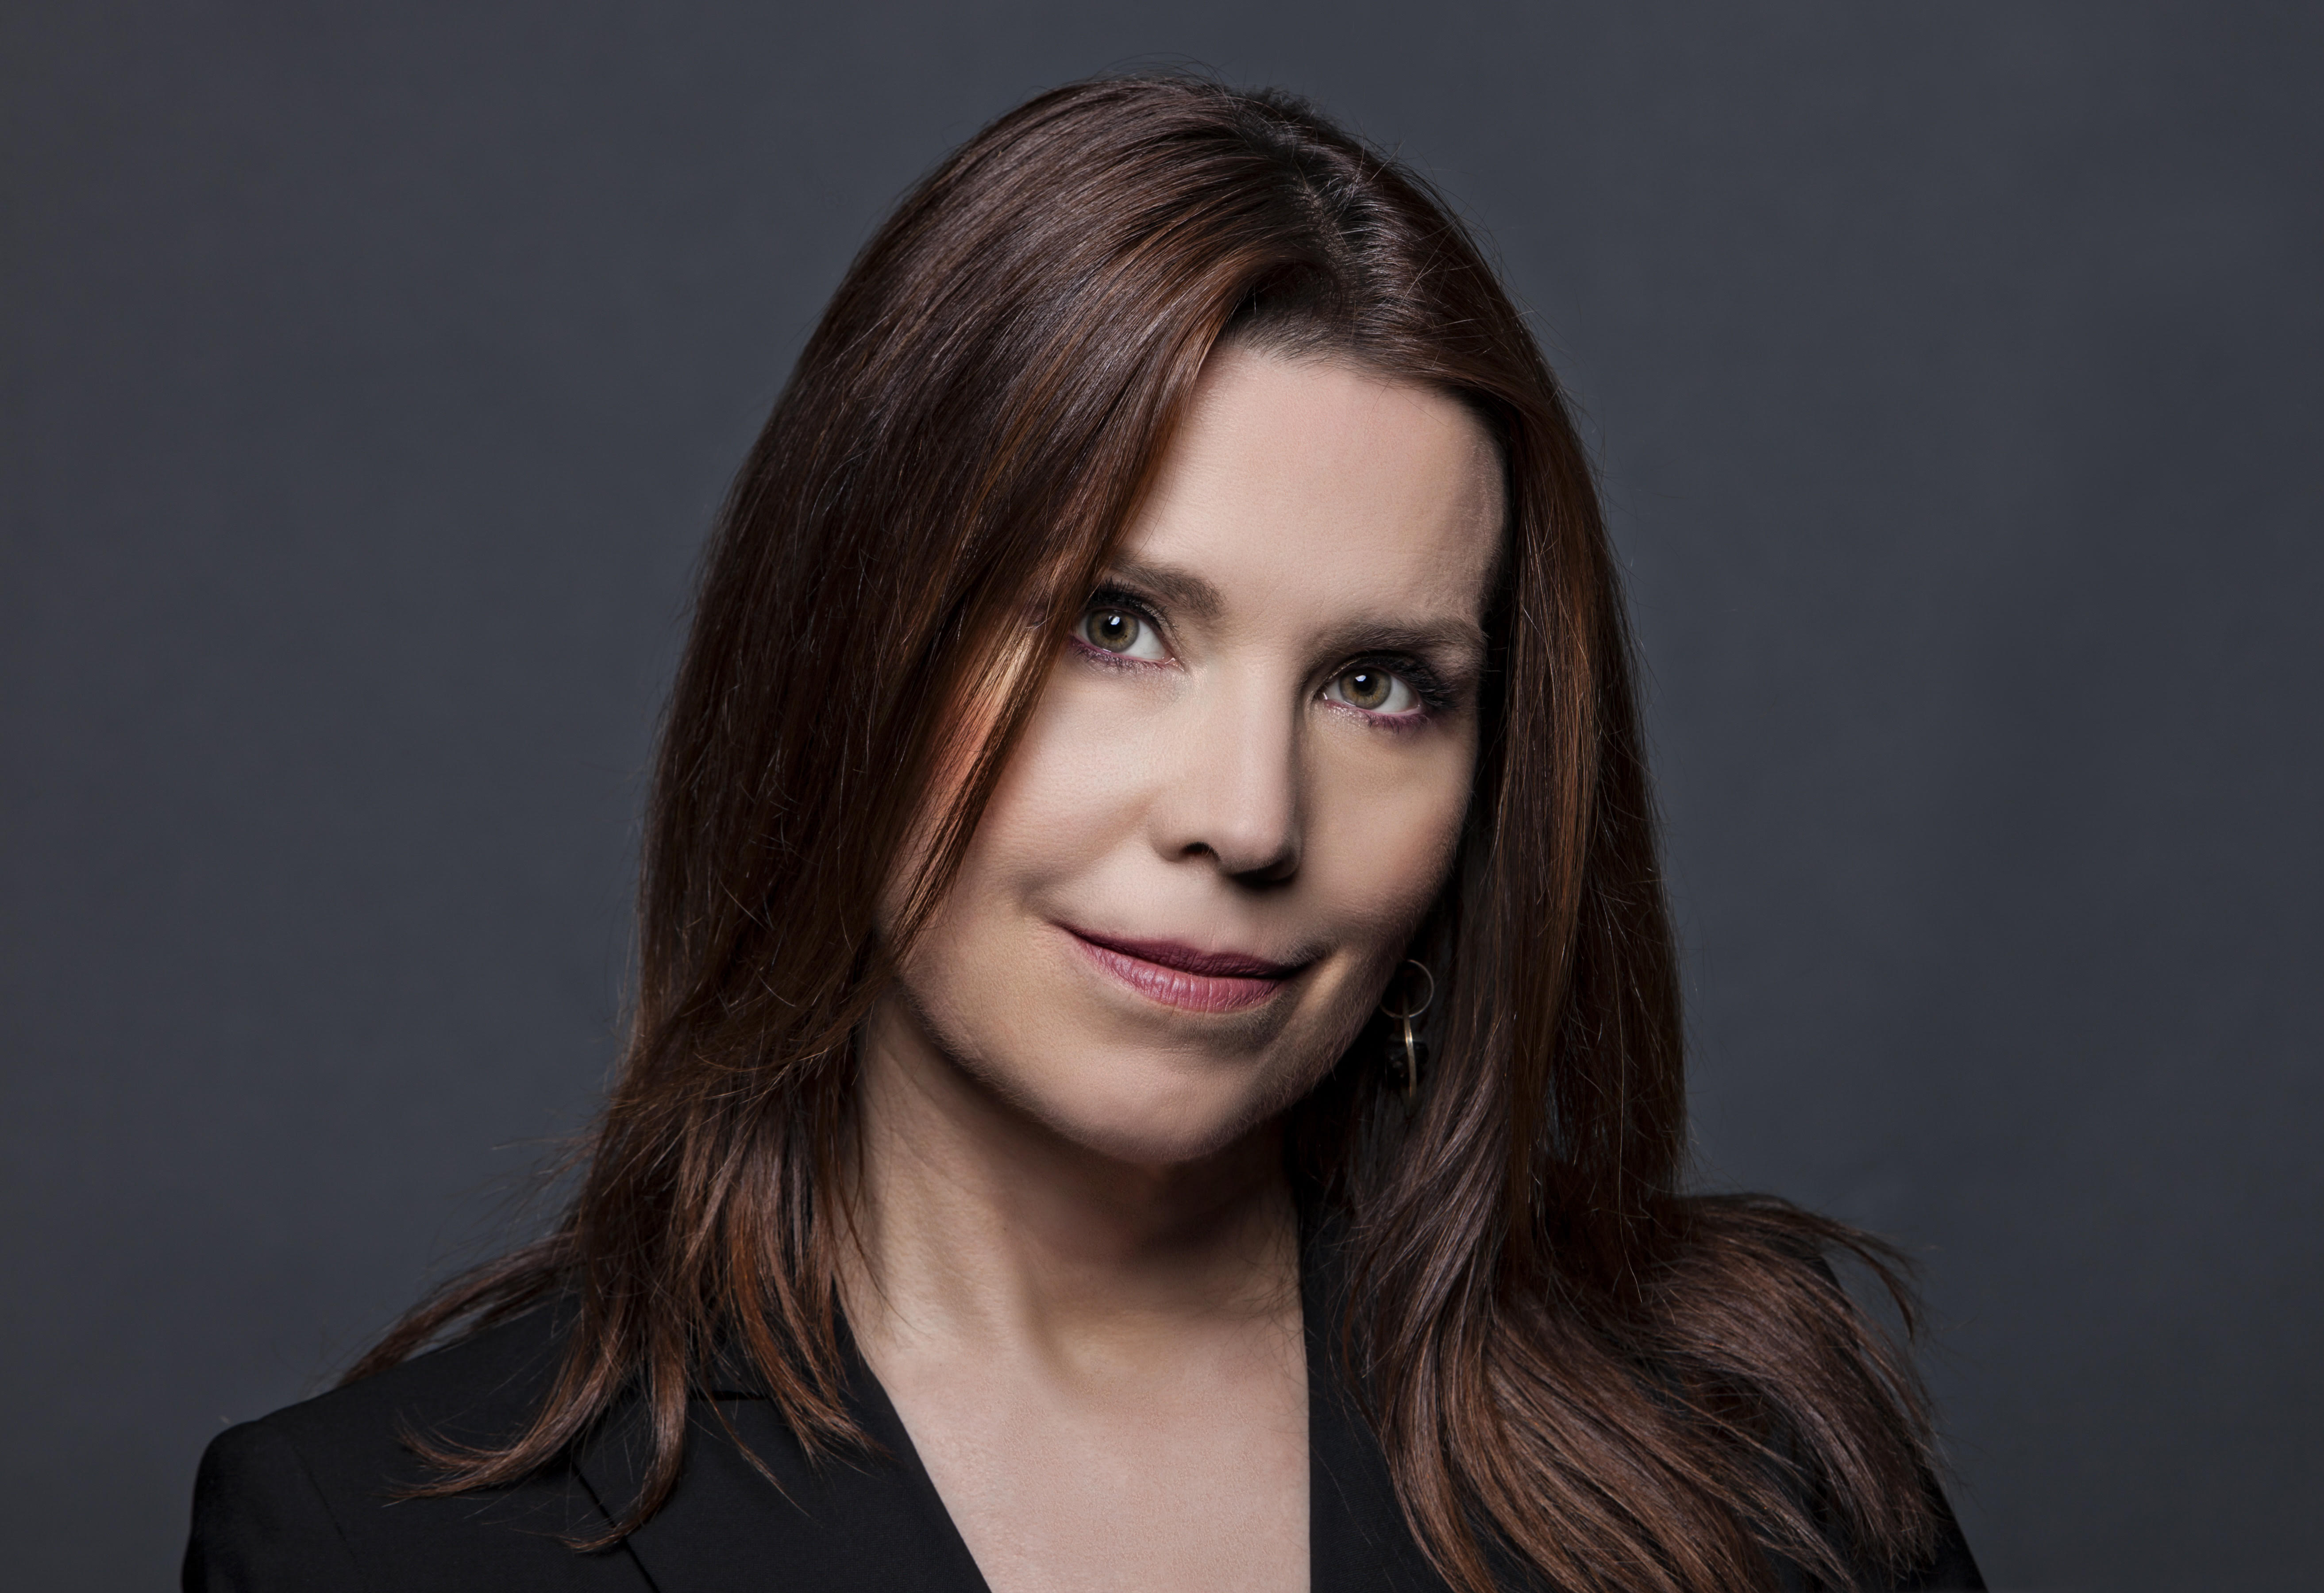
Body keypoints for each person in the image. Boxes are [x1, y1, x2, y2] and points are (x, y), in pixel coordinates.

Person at [184, 76, 1983, 1593]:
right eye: (1114, 628)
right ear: (841, 653)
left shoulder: (1753, 1466)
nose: (1247, 819)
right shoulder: (377, 1546)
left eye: (1378, 685)